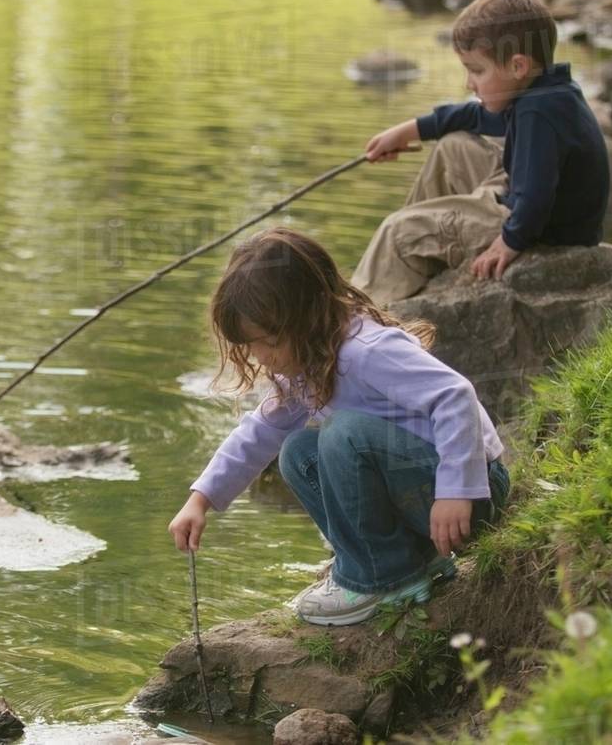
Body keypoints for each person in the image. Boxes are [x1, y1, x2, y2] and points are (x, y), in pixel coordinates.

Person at [167, 227, 510, 626]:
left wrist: (456, 492)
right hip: (422, 501)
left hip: (473, 494)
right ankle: (383, 562)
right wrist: (201, 500)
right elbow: (258, 432)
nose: (261, 356)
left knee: (341, 434)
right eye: (250, 345)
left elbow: (454, 395)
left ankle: (380, 578)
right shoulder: (306, 365)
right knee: (297, 452)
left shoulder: (366, 351)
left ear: (309, 315)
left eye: (270, 340)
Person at [350, 0, 610, 304]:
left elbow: (536, 195)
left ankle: (360, 317)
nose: (468, 83)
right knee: (453, 147)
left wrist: (510, 241)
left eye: (477, 70)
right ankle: (413, 259)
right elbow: (474, 116)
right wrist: (411, 130)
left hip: (544, 231)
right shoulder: (544, 89)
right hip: (534, 207)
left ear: (518, 65)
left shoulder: (538, 112)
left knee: (397, 231)